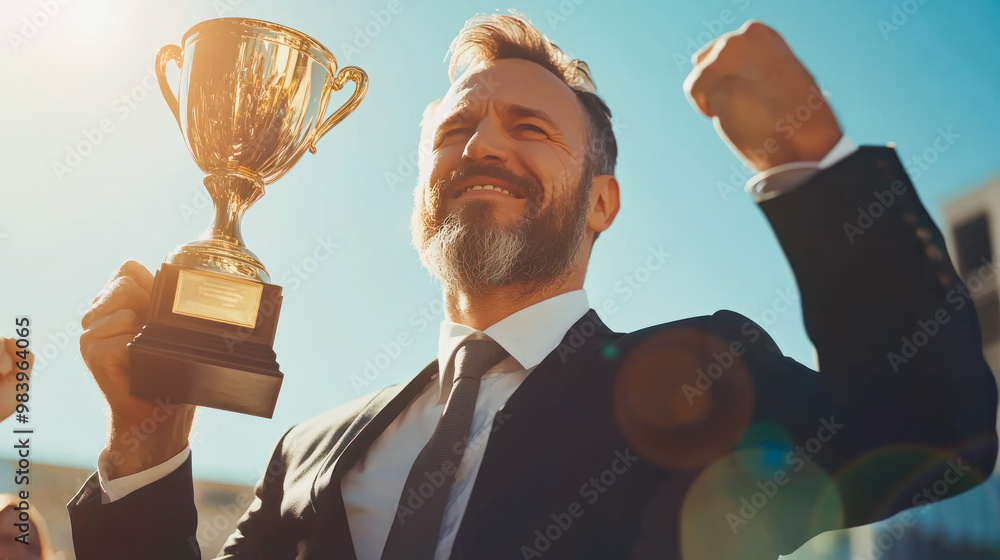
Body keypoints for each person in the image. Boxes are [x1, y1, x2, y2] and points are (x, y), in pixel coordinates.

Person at [68, 13, 998, 560]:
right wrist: (143, 446)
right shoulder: (308, 453)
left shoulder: (705, 376)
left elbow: (937, 436)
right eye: (455, 130)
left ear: (602, 201)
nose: (482, 146)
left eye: (530, 127)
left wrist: (809, 159)